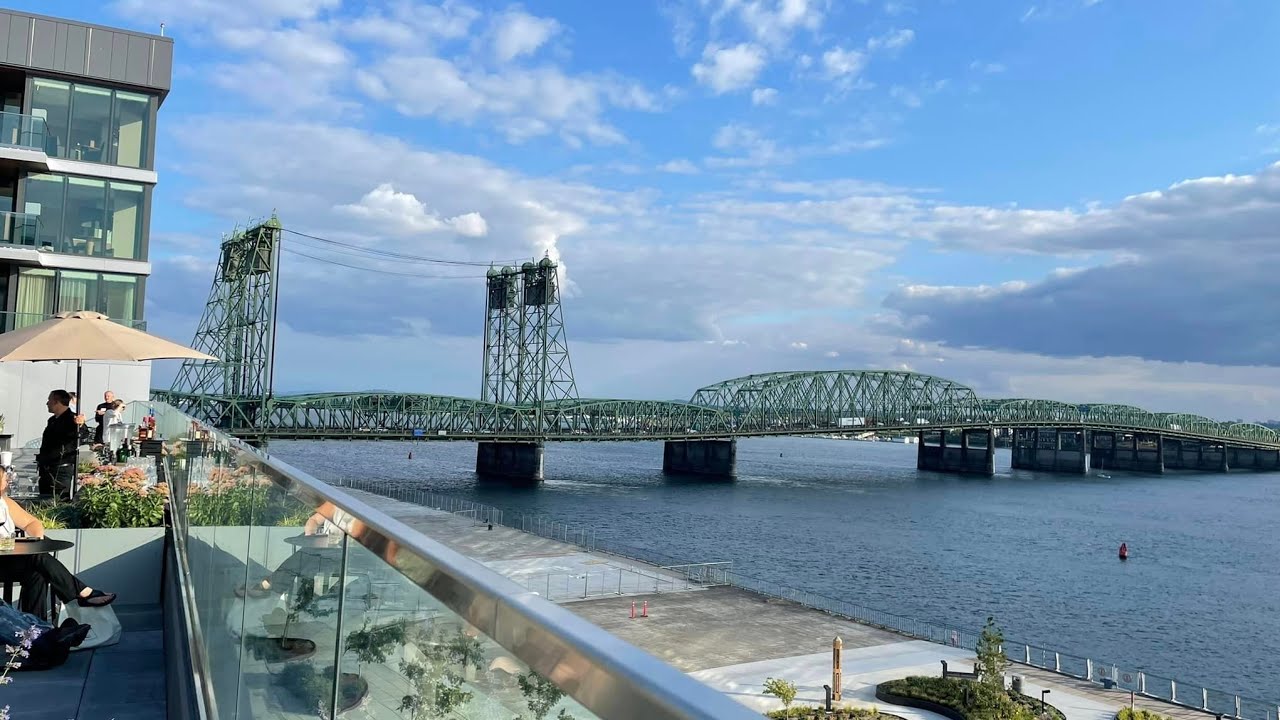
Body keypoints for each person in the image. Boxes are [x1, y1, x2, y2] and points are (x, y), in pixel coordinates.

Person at [0, 469, 116, 619]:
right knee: (37, 559)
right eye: (4, 478)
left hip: (9, 559)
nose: (8, 481)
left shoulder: (5, 503)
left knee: (38, 572)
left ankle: (35, 629)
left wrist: (37, 538)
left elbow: (31, 522)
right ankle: (81, 592)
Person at [36, 390, 78, 499]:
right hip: (46, 469)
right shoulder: (52, 420)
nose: (47, 403)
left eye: (49, 400)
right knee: (44, 500)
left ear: (57, 402)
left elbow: (82, 434)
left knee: (58, 502)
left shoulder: (72, 419)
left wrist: (81, 425)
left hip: (60, 469)